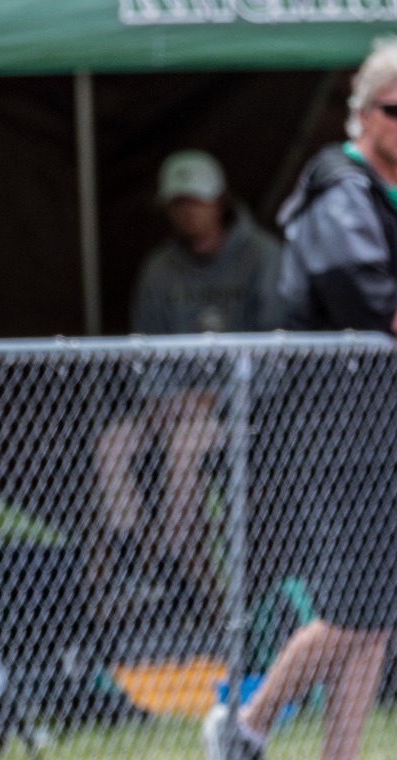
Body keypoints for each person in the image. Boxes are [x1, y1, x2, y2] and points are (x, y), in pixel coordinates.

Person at [207, 36, 397, 760]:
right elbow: (369, 299)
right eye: (395, 110)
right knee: (355, 608)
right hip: (339, 428)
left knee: (379, 609)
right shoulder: (337, 189)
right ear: (362, 114)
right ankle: (243, 723)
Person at [96, 150, 283, 615]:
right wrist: (161, 399)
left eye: (196, 201)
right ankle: (128, 557)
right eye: (178, 204)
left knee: (184, 445)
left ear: (219, 202)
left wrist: (217, 399)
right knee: (113, 443)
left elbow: (278, 352)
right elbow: (145, 353)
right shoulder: (160, 269)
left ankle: (169, 561)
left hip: (243, 412)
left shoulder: (263, 256)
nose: (188, 212)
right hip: (171, 406)